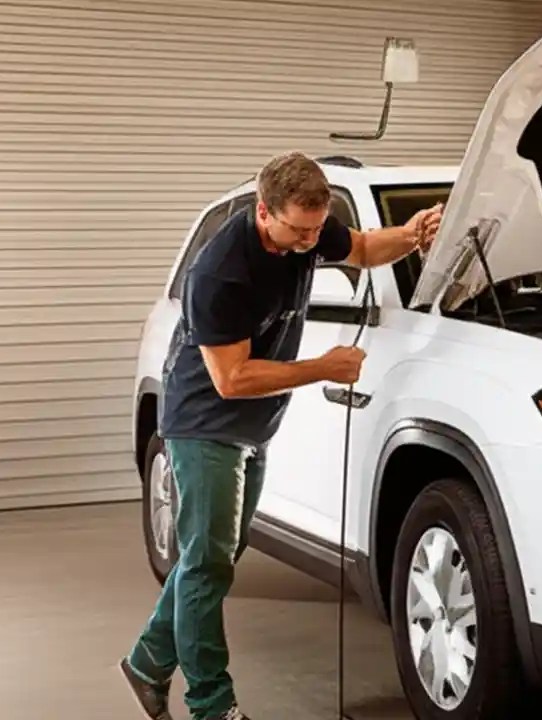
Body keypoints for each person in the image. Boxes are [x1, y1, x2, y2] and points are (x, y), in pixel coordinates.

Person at [119, 150, 443, 720]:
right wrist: (323, 368)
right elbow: (231, 379)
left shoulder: (309, 229)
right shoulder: (220, 272)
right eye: (299, 230)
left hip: (252, 428)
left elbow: (363, 248)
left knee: (211, 559)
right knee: (207, 565)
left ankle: (147, 662)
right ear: (264, 211)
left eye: (317, 230)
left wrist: (412, 234)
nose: (310, 242)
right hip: (204, 425)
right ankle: (211, 705)